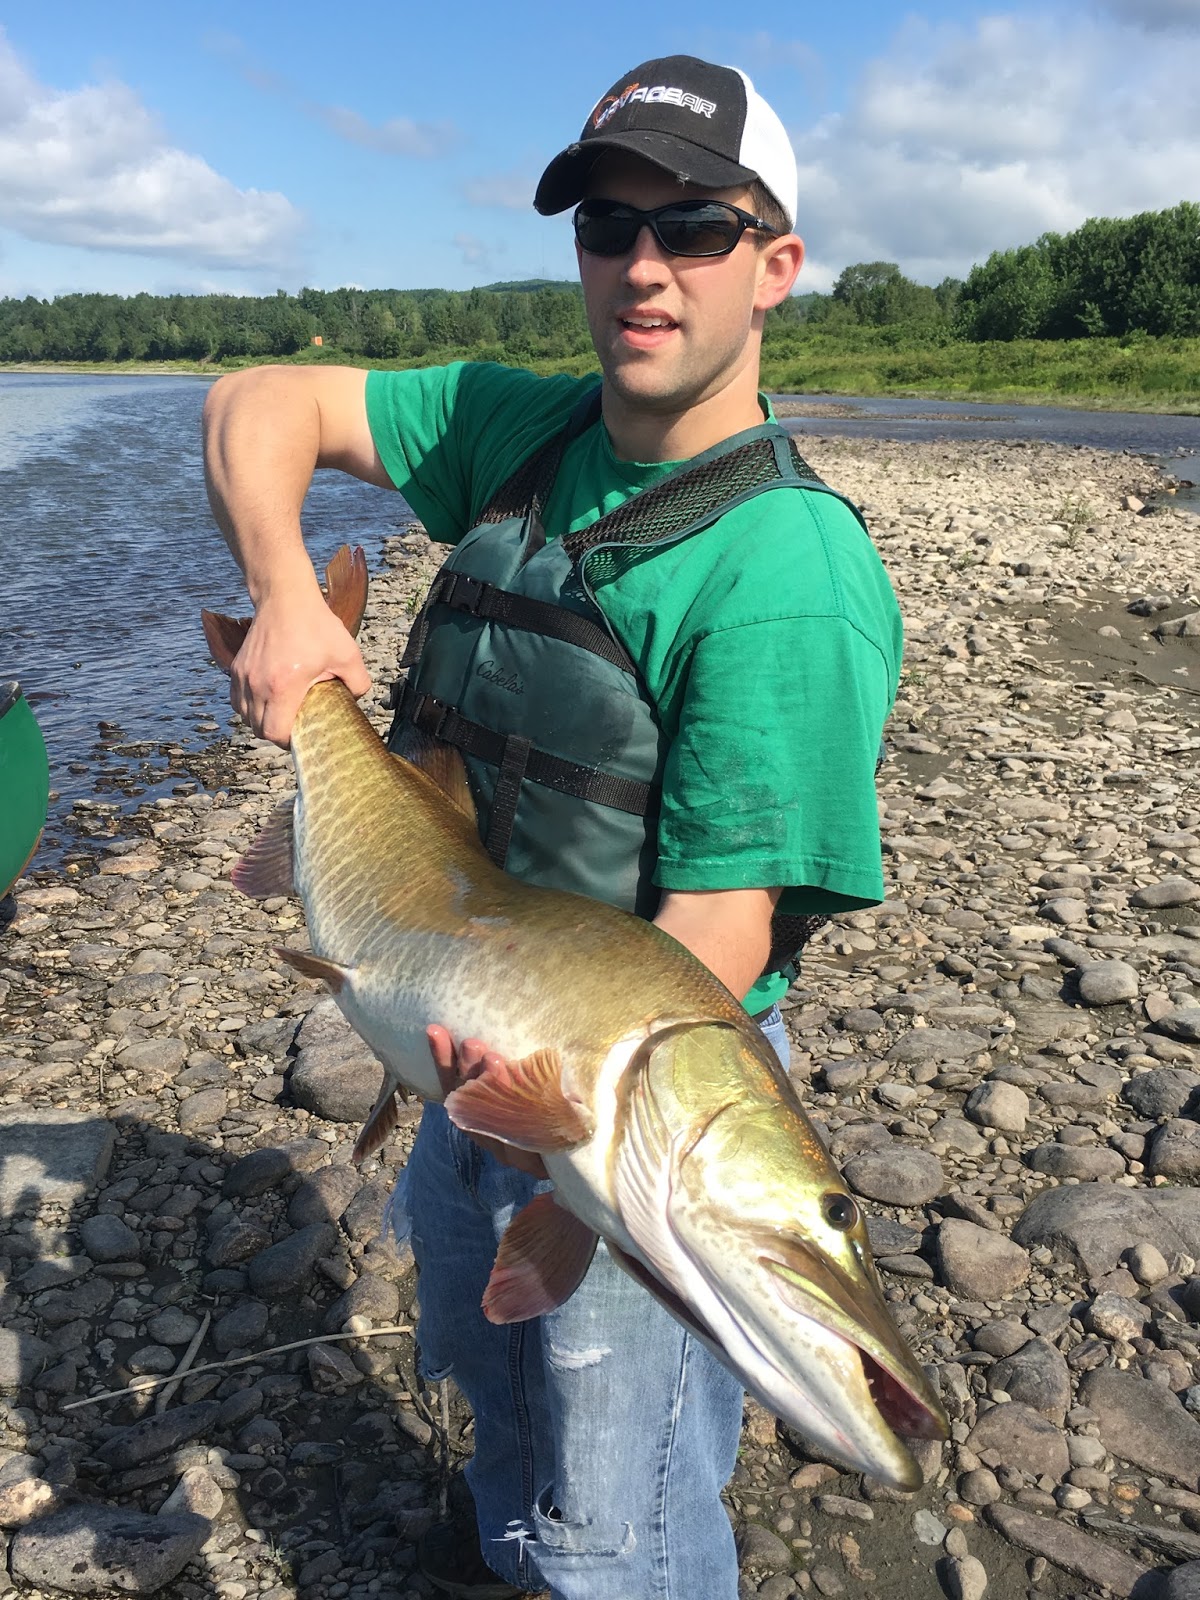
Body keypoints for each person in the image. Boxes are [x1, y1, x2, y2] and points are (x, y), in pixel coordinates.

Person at [203, 53, 902, 1600]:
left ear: (776, 266)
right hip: (452, 1005)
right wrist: (284, 603)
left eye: (696, 228)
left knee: (621, 1517)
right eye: (606, 225)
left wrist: (586, 1185)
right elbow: (257, 402)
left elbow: (717, 937)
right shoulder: (522, 428)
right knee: (494, 1385)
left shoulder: (785, 575)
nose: (644, 266)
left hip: (628, 1093)